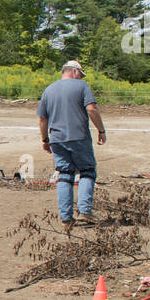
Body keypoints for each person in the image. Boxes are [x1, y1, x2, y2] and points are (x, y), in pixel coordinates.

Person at [37, 60, 106, 225]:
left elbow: (42, 118)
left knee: (65, 175)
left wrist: (45, 139)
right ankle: (84, 210)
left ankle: (66, 217)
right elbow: (91, 109)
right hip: (79, 137)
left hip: (57, 139)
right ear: (74, 71)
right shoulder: (82, 86)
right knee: (87, 171)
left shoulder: (48, 89)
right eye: (80, 74)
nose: (81, 77)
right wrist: (101, 130)